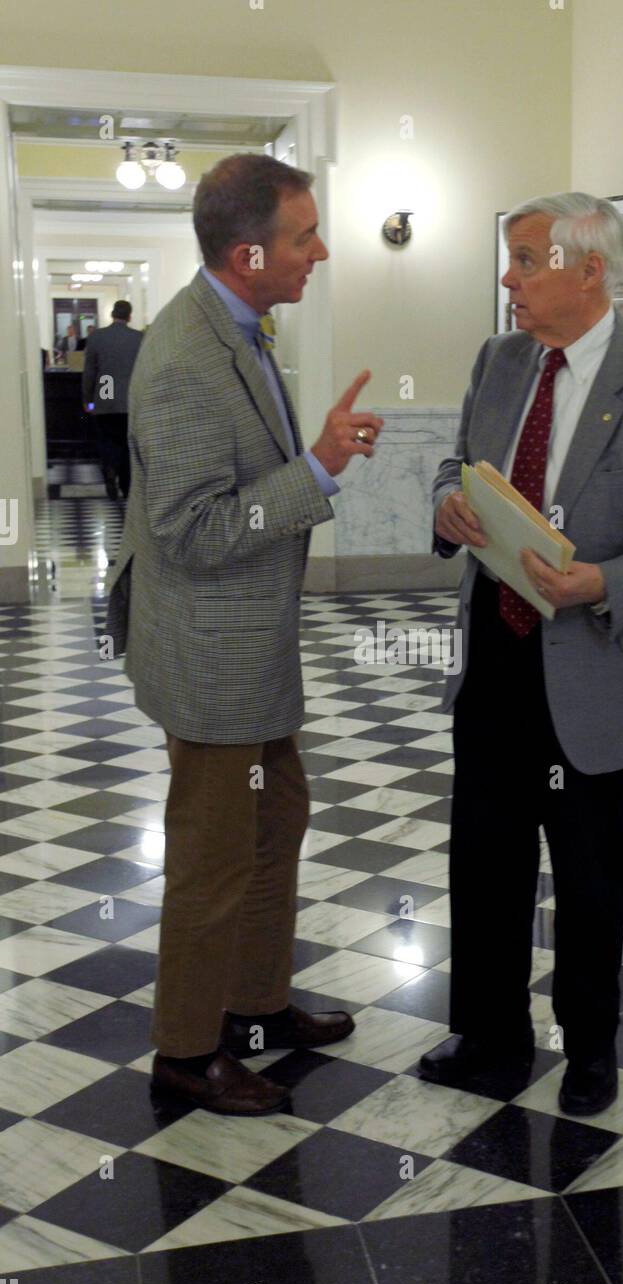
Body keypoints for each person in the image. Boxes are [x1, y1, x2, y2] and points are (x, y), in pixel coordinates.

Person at [420, 192, 623, 1117]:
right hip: (500, 662)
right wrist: (447, 505)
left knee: (590, 872)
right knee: (484, 857)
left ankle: (591, 1050)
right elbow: (455, 464)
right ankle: (490, 1039)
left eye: (526, 261)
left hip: (595, 666)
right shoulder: (500, 360)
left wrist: (605, 583)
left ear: (588, 271)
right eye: (509, 260)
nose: (509, 279)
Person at [104, 153, 384, 1116]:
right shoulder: (184, 358)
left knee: (278, 821)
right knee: (214, 857)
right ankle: (186, 1051)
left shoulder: (239, 328)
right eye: (304, 236)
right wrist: (319, 471)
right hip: (213, 662)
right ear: (247, 249)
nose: (320, 252)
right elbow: (191, 532)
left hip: (250, 651)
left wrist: (316, 461)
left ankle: (257, 1008)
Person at [82, 302, 142, 500]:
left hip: (106, 392)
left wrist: (88, 400)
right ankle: (126, 484)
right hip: (130, 398)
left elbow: (90, 372)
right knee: (127, 443)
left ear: (112, 314)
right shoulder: (139, 338)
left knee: (107, 439)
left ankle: (109, 471)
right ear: (129, 316)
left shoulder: (97, 337)